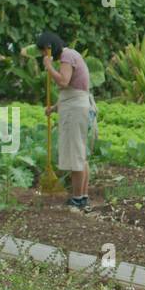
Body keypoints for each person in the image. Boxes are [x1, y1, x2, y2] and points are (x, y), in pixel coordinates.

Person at [37, 31, 97, 212]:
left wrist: (49, 67)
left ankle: (77, 199)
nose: (42, 55)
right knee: (80, 154)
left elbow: (64, 82)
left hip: (76, 111)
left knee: (76, 155)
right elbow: (73, 89)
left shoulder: (67, 57)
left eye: (43, 51)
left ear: (49, 48)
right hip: (78, 106)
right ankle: (83, 198)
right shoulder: (71, 54)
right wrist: (55, 108)